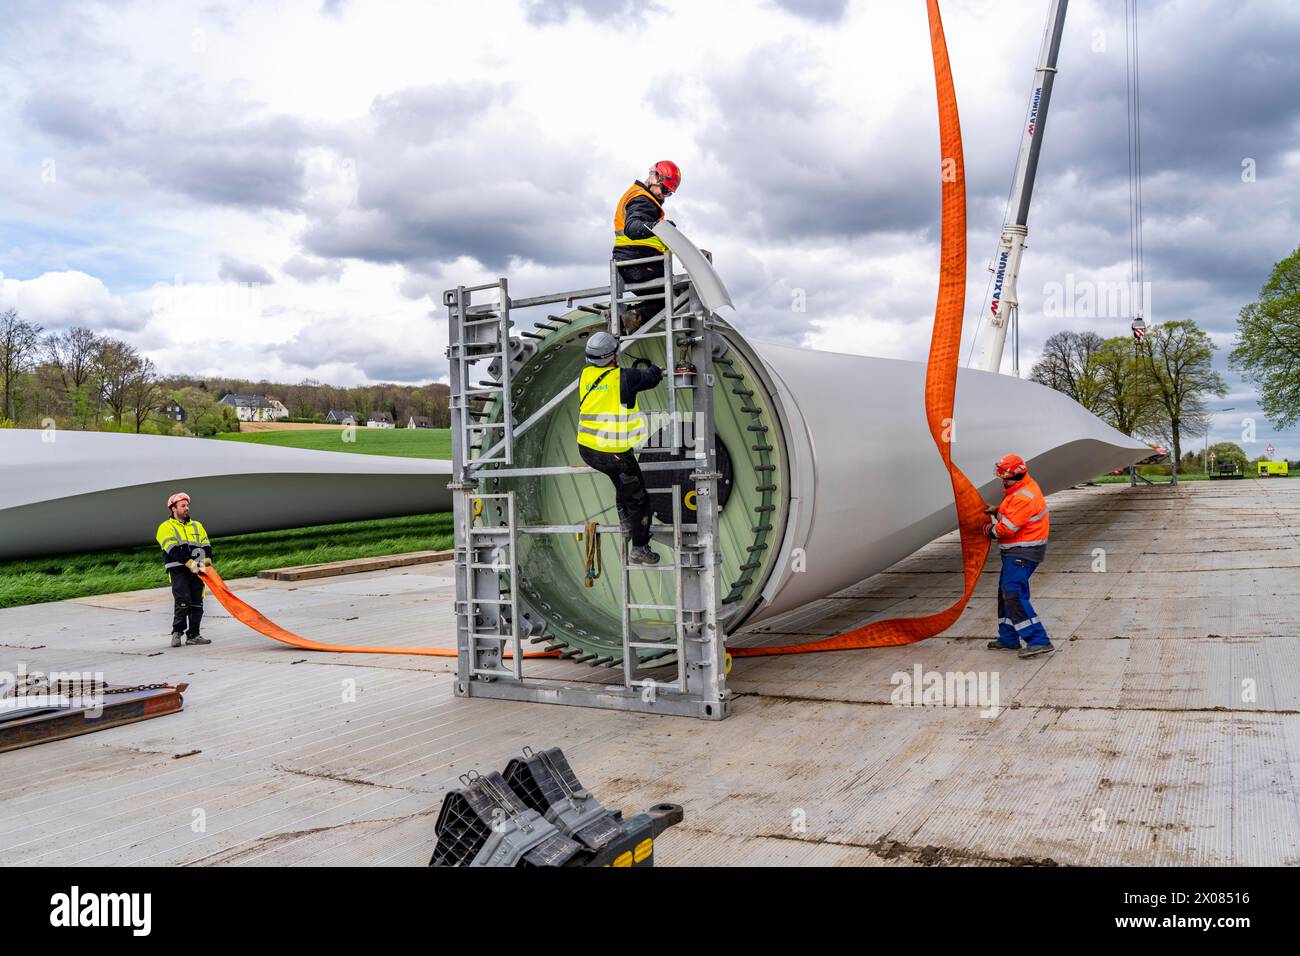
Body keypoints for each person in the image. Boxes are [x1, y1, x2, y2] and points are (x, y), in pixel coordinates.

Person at [576, 330, 664, 565]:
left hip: (587, 449)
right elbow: (653, 377)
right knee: (640, 499)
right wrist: (656, 367)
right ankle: (640, 547)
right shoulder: (625, 377)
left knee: (621, 481)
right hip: (612, 451)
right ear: (613, 356)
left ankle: (626, 522)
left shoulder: (585, 376)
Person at [984, 454, 1054, 659]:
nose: (1002, 481)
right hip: (1017, 551)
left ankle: (1039, 640)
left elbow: (1008, 528)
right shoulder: (1020, 489)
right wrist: (997, 510)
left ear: (1016, 474)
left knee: (1013, 592)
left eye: (1004, 477)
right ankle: (1008, 637)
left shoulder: (1023, 496)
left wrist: (990, 530)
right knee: (1005, 593)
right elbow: (1014, 514)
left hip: (1022, 551)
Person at [612, 160, 681, 334]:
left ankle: (626, 317)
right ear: (654, 178)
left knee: (661, 300)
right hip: (638, 263)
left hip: (631, 263)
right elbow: (632, 227)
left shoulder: (640, 197)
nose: (665, 196)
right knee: (678, 296)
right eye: (664, 190)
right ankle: (630, 317)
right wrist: (658, 226)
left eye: (669, 193)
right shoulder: (643, 199)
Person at [155, 492, 214, 647]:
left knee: (197, 602)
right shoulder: (165, 527)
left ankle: (194, 635)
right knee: (182, 601)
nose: (187, 508)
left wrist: (206, 562)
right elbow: (172, 549)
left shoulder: (197, 526)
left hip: (198, 569)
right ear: (173, 509)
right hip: (178, 569)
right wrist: (190, 563)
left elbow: (206, 545)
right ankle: (177, 633)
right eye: (183, 506)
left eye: (187, 505)